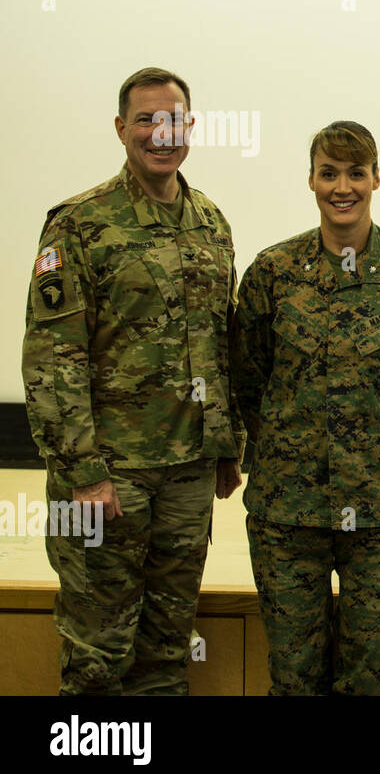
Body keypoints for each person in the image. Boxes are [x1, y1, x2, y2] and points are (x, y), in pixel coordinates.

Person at [23, 67, 244, 695]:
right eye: (145, 119)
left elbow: (218, 345)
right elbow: (51, 359)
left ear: (190, 129)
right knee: (97, 656)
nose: (160, 132)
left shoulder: (211, 223)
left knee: (167, 652)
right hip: (107, 477)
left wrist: (227, 445)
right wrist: (84, 473)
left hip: (186, 475)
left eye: (172, 118)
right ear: (122, 130)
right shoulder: (79, 224)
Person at [232, 121, 380, 695]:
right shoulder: (272, 273)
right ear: (310, 180)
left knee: (368, 678)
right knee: (294, 679)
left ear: (376, 178)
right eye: (329, 172)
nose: (342, 186)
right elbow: (249, 380)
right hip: (289, 517)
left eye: (356, 172)